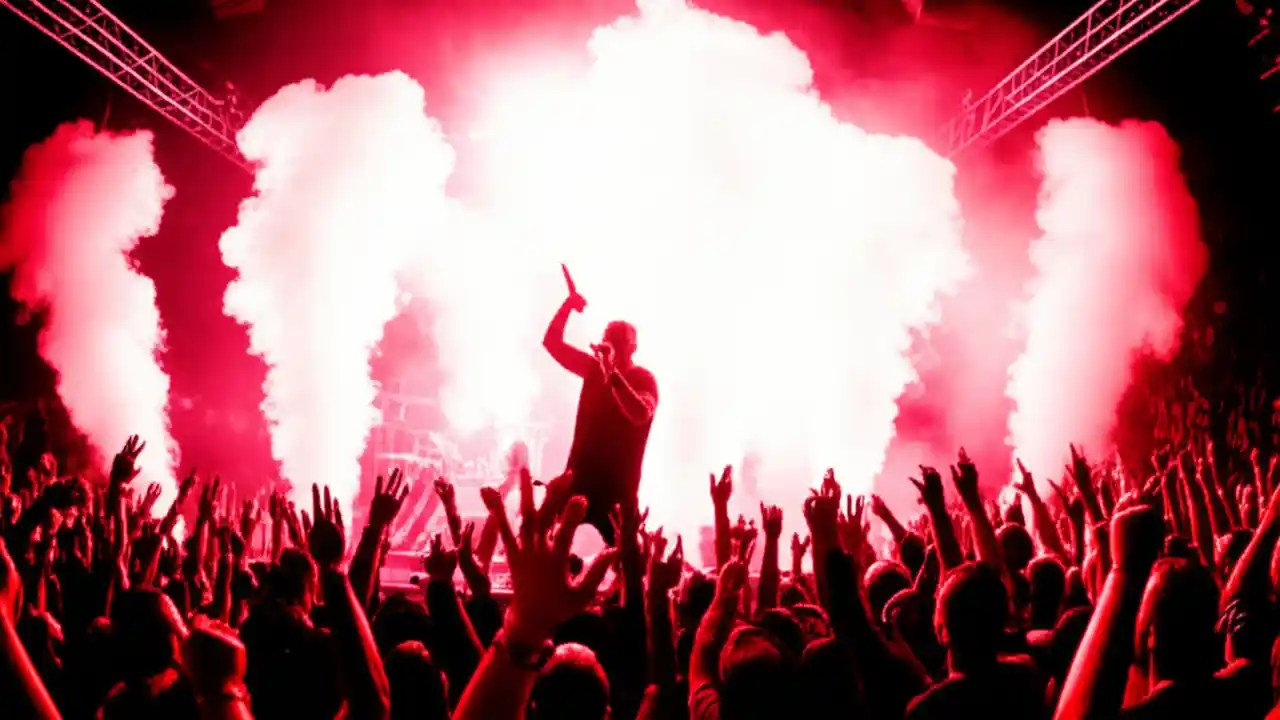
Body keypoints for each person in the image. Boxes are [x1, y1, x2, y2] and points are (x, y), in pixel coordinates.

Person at [541, 265, 658, 546]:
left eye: (618, 340)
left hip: (617, 490)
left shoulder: (642, 378)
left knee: (625, 558)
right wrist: (567, 305)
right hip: (579, 480)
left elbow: (641, 413)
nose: (610, 344)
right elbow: (552, 343)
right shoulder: (594, 370)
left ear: (633, 348)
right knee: (547, 542)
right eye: (608, 337)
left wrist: (612, 375)